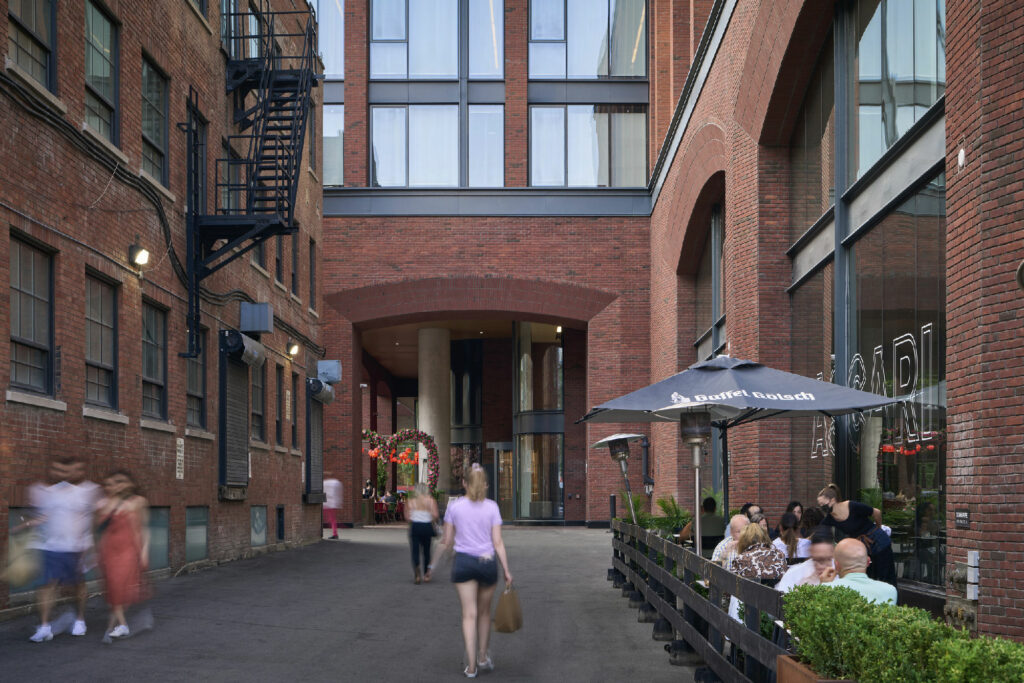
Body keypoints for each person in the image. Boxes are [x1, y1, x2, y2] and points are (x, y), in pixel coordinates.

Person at [435, 464, 512, 678]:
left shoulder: (455, 507)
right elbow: (498, 543)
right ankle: (482, 656)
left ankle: (471, 667)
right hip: (487, 563)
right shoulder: (492, 507)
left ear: (464, 483)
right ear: (485, 484)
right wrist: (506, 569)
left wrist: (434, 562)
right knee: (485, 613)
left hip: (464, 563)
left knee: (469, 615)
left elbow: (447, 540)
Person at [23, 456, 101, 642]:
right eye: (58, 470)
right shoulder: (43, 491)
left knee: (78, 585)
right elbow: (39, 517)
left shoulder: (88, 491)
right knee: (46, 586)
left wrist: (90, 547)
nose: (62, 474)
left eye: (66, 471)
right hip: (49, 546)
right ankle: (44, 627)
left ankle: (80, 620)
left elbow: (94, 521)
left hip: (76, 548)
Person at [95, 470, 150, 640]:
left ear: (130, 483)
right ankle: (115, 626)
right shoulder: (102, 504)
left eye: (119, 482)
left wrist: (143, 552)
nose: (116, 486)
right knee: (113, 587)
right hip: (108, 550)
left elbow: (143, 529)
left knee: (119, 586)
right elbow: (96, 531)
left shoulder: (137, 502)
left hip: (127, 550)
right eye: (111, 484)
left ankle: (122, 625)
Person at [817, 483, 897, 587]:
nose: (822, 507)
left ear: (832, 500)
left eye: (823, 504)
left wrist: (878, 528)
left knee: (886, 576)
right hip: (863, 547)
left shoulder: (852, 506)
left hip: (878, 540)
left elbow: (876, 512)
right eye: (820, 505)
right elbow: (818, 532)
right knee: (869, 577)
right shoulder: (830, 519)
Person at [819, 538, 897, 605]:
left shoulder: (828, 589)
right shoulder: (890, 590)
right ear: (868, 561)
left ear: (836, 565)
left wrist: (824, 587)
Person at [775, 527, 836, 593]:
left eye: (828, 559)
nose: (821, 566)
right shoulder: (795, 573)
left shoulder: (841, 572)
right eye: (817, 560)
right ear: (811, 552)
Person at [407, 483, 439, 584]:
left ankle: (417, 571)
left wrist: (416, 516)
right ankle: (426, 574)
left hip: (415, 527)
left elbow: (407, 517)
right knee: (427, 552)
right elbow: (435, 515)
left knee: (415, 551)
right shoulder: (430, 500)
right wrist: (429, 517)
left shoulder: (411, 501)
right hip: (427, 527)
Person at [323, 472, 343, 540]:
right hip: (333, 503)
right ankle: (334, 533)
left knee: (331, 519)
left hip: (329, 504)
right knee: (332, 519)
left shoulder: (325, 483)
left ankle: (335, 533)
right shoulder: (336, 482)